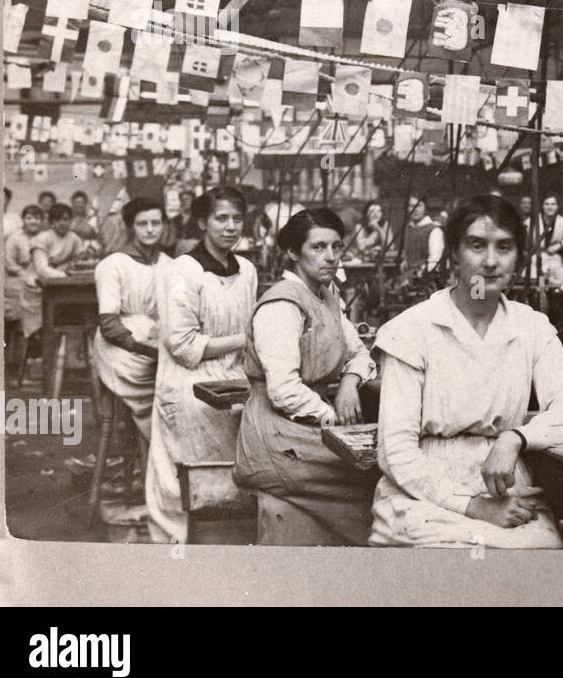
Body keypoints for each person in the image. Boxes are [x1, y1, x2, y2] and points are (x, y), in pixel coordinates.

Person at [368, 195, 563, 547]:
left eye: (504, 247)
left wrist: (514, 439)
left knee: (539, 555)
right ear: (454, 253)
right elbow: (395, 449)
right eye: (477, 245)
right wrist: (470, 505)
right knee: (453, 560)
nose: (490, 262)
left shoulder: (531, 327)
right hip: (425, 490)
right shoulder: (412, 329)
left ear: (519, 256)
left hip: (504, 485)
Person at [233, 209, 380, 545]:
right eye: (318, 248)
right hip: (275, 434)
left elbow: (359, 353)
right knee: (372, 478)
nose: (330, 257)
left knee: (381, 471)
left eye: (336, 247)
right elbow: (283, 390)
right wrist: (332, 418)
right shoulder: (281, 305)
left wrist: (348, 384)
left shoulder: (328, 298)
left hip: (305, 425)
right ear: (293, 252)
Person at [146, 186, 258, 544]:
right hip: (188, 383)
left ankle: (225, 543)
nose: (230, 227)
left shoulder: (248, 270)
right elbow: (182, 345)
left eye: (237, 218)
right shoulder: (182, 272)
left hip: (233, 378)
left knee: (234, 476)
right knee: (188, 482)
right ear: (202, 223)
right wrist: (247, 340)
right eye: (220, 218)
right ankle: (184, 550)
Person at [91, 198, 170, 466]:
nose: (150, 229)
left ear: (164, 226)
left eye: (156, 223)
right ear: (130, 227)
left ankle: (163, 469)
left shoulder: (169, 265)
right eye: (142, 224)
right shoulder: (113, 265)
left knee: (176, 387)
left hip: (155, 341)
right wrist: (147, 348)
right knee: (159, 390)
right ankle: (155, 464)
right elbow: (110, 326)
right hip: (120, 348)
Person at [4, 204, 44, 374]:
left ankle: (36, 365)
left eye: (36, 218)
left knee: (43, 321)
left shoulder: (45, 237)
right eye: (29, 218)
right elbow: (9, 263)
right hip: (17, 282)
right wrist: (25, 275)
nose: (32, 221)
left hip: (41, 283)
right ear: (23, 220)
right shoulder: (15, 238)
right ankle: (13, 366)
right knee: (16, 322)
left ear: (41, 220)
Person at [527, 194, 563, 285]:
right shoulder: (532, 221)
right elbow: (522, 240)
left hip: (555, 258)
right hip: (535, 259)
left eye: (553, 204)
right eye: (547, 204)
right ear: (542, 206)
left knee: (558, 281)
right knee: (535, 282)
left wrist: (560, 245)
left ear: (557, 206)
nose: (550, 207)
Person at [403, 197, 445, 276]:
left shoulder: (434, 230)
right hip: (408, 277)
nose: (415, 209)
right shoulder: (409, 229)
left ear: (425, 207)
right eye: (411, 206)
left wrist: (422, 274)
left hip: (426, 278)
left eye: (419, 205)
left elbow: (435, 261)